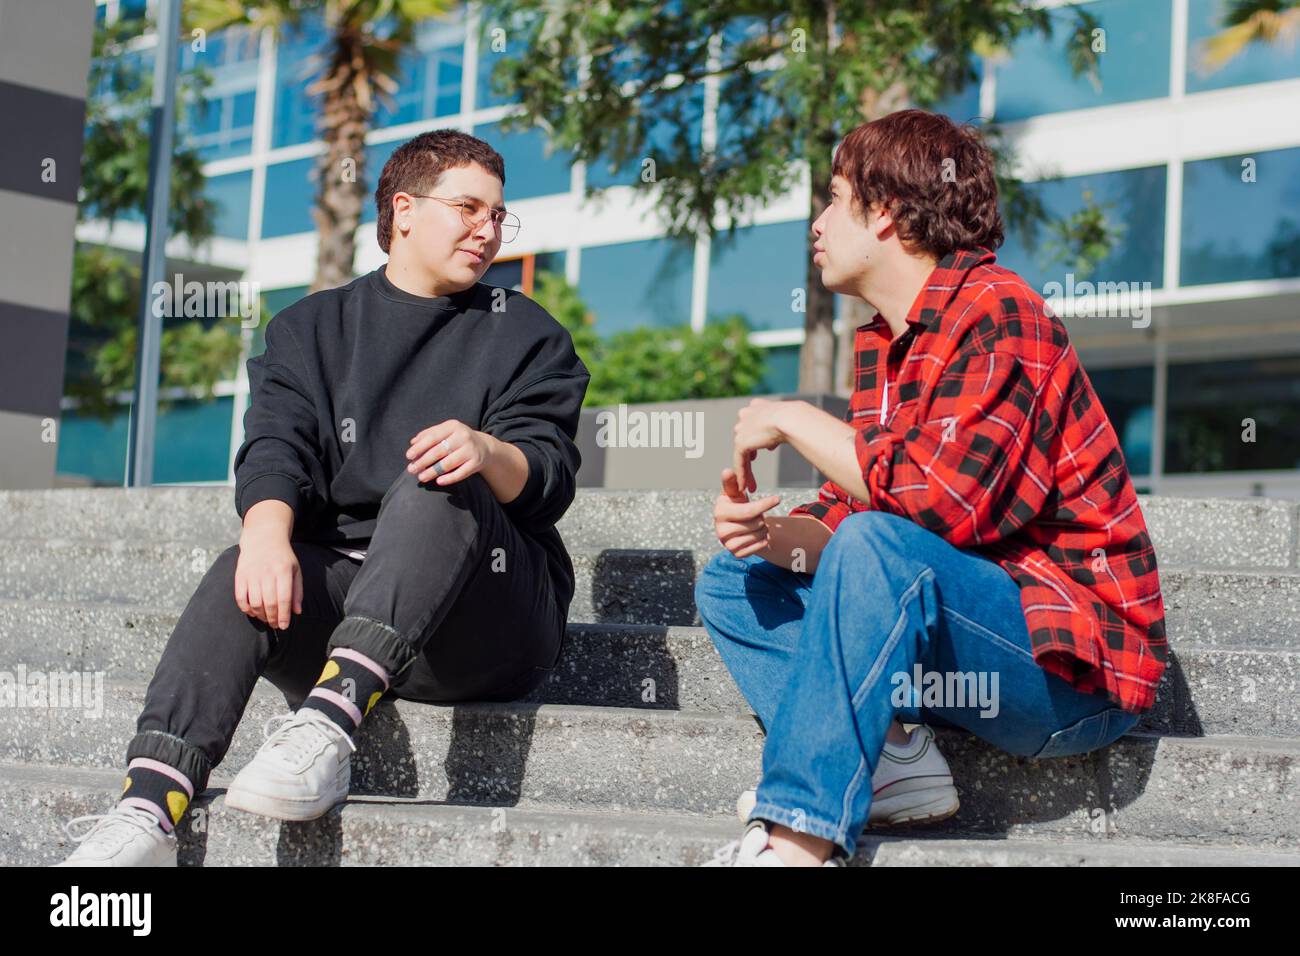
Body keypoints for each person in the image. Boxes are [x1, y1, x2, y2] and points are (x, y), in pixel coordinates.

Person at [57, 130, 590, 866]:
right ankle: (149, 806)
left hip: (489, 620)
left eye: (500, 215)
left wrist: (488, 450)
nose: (488, 229)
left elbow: (552, 476)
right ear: (404, 210)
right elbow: (277, 447)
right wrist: (267, 536)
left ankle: (329, 726)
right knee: (237, 568)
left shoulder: (527, 332)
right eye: (469, 207)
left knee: (440, 476)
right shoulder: (310, 328)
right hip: (355, 604)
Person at [696, 109, 1167, 867]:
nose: (816, 223)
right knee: (735, 582)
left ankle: (800, 835)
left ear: (883, 213)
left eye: (833, 198)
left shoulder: (1002, 311)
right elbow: (861, 510)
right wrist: (782, 539)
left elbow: (945, 506)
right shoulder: (886, 341)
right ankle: (889, 759)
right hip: (968, 638)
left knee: (878, 543)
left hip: (1072, 670)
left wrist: (795, 418)